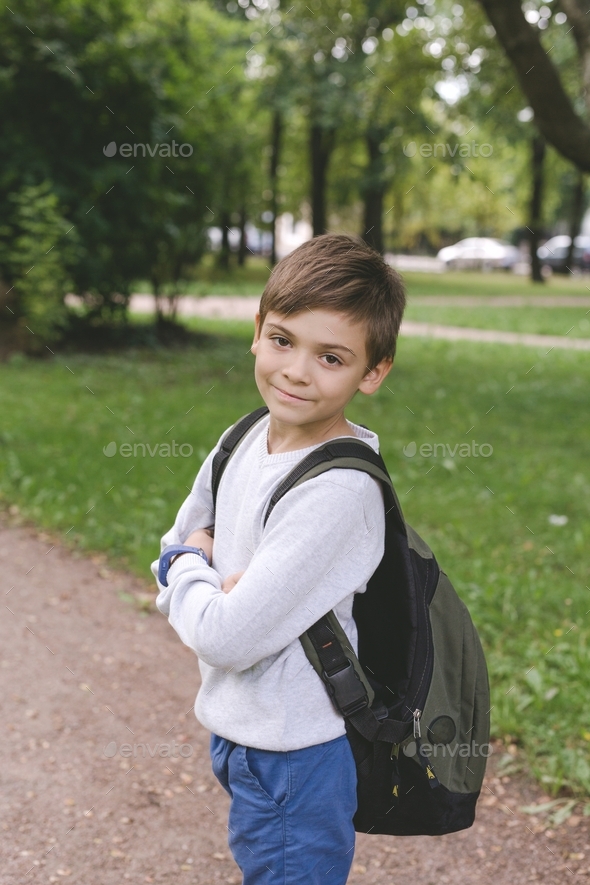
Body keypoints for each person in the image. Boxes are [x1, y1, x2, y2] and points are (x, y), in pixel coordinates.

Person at [151, 233, 406, 884]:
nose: (296, 370)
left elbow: (223, 634)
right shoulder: (241, 438)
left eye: (331, 356)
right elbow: (173, 549)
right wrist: (196, 569)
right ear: (258, 330)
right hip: (238, 729)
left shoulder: (341, 490)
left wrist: (191, 574)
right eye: (284, 340)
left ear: (372, 372)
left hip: (297, 749)